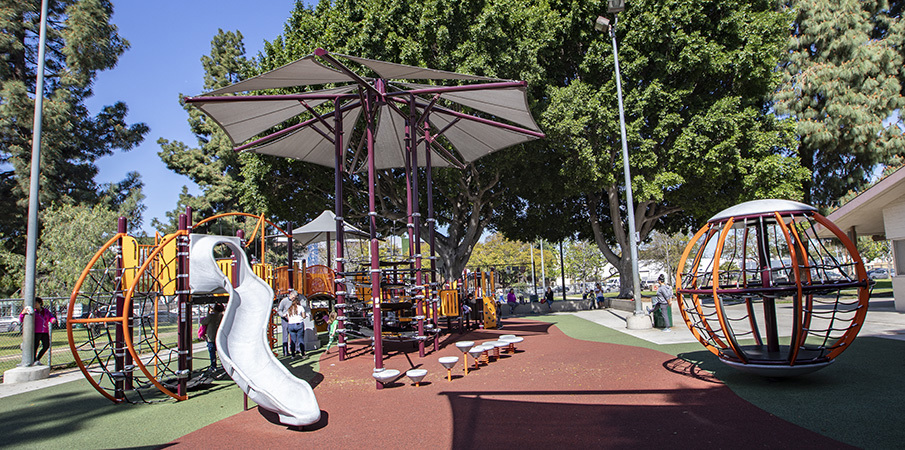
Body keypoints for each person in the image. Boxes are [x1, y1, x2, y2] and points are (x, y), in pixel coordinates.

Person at [19, 297, 56, 365]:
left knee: (46, 345)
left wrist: (52, 320)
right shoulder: (32, 311)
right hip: (36, 331)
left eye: (36, 303)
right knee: (35, 346)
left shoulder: (45, 311)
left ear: (40, 303)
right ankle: (33, 360)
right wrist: (22, 313)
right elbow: (21, 319)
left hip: (44, 331)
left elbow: (51, 317)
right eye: (34, 303)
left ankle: (37, 359)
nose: (35, 304)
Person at [200, 303, 225, 370]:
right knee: (221, 352)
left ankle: (213, 366)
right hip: (220, 337)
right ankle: (223, 365)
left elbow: (203, 322)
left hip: (211, 337)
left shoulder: (211, 316)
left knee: (212, 351)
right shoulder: (223, 316)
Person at [277, 291, 296, 356]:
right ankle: (285, 351)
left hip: (293, 319)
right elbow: (279, 310)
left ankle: (293, 349)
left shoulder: (295, 301)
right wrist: (283, 315)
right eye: (293, 297)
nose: (294, 299)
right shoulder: (284, 301)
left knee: (293, 334)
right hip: (285, 319)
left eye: (295, 298)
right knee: (285, 335)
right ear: (290, 295)